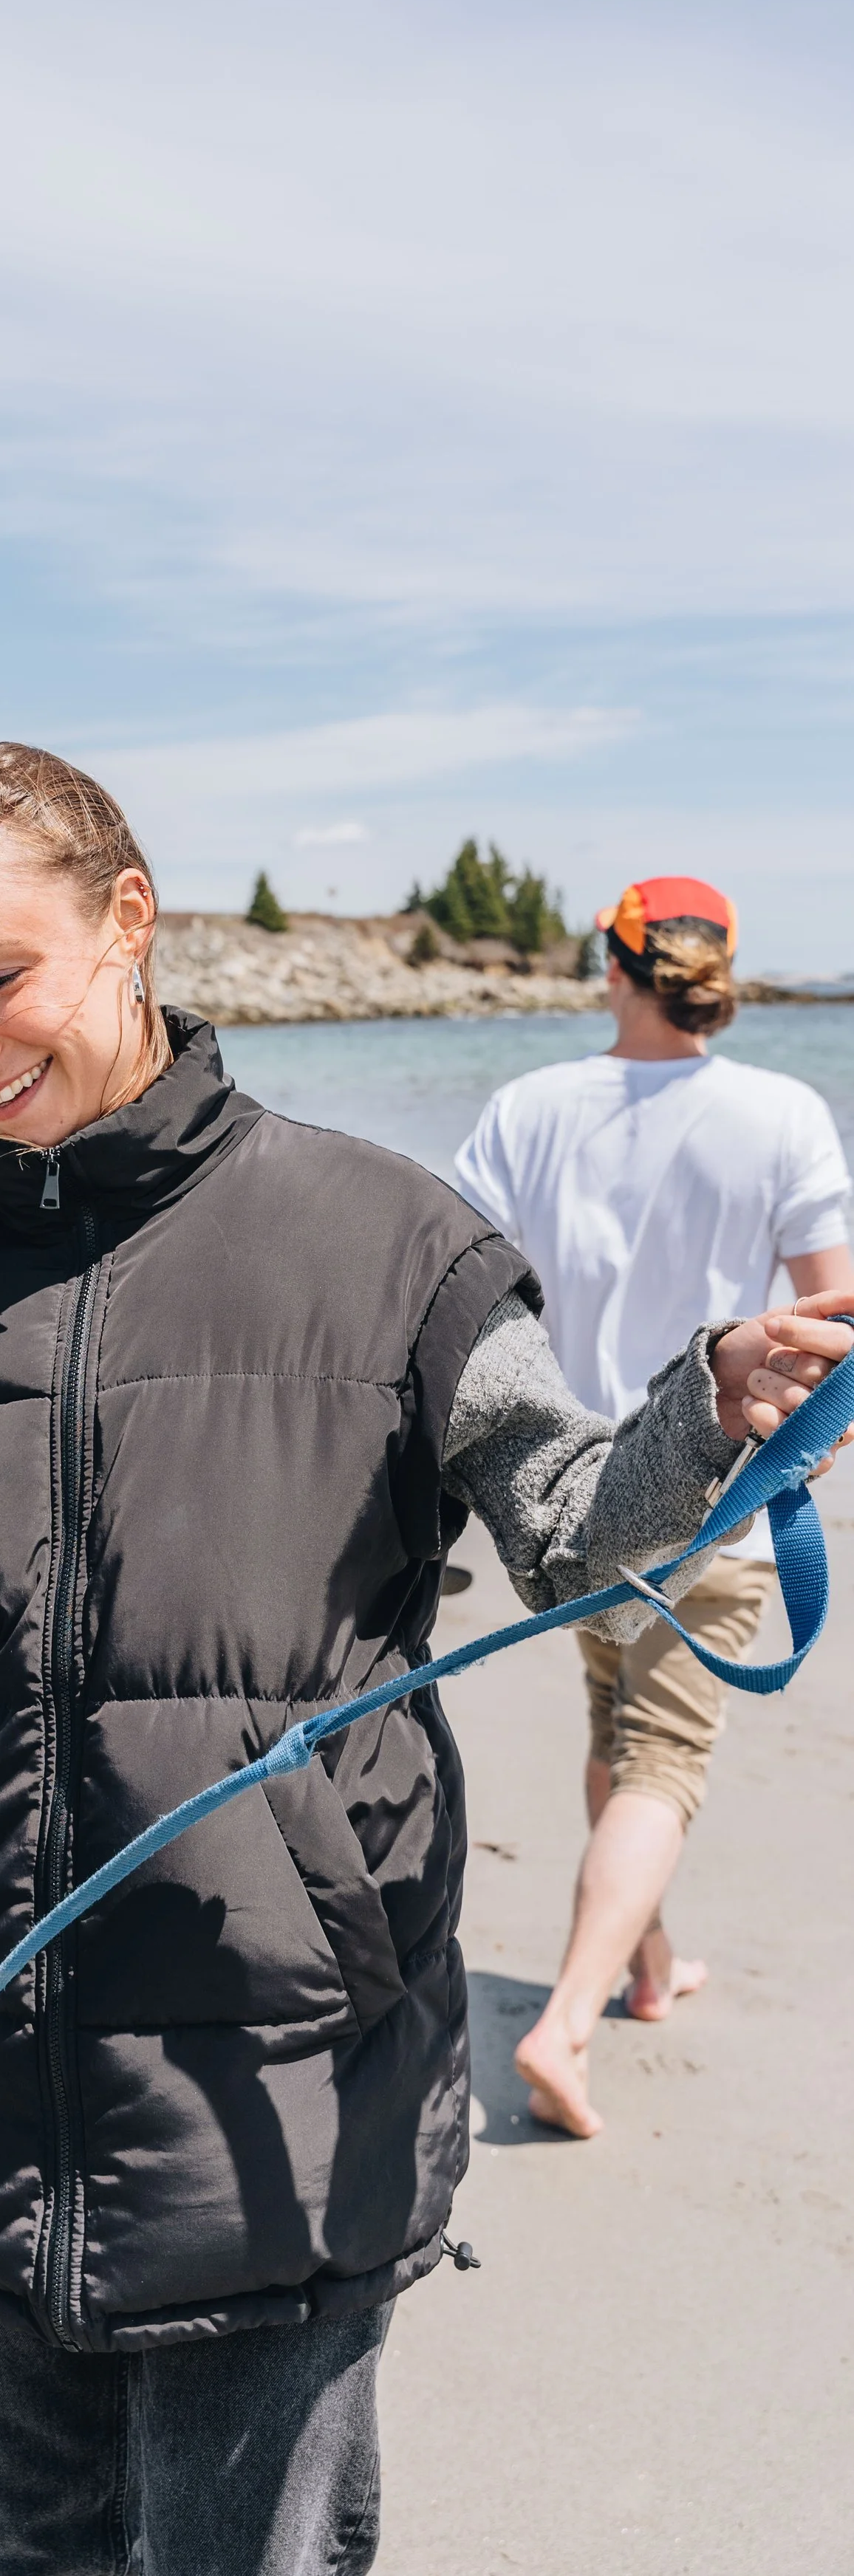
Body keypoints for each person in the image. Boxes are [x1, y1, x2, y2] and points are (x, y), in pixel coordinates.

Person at [0, 759, 850, 2576]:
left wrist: (707, 1408)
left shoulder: (385, 1243)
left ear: (129, 920)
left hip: (286, 2096)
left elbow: (569, 1520)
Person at [454, 874, 853, 2140]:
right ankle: (569, 2017)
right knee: (662, 1764)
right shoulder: (781, 1113)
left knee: (613, 1727)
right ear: (718, 967)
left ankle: (644, 1960)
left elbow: (457, 1286)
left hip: (569, 1496)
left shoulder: (528, 1110)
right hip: (719, 1499)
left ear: (612, 965)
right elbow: (832, 1320)